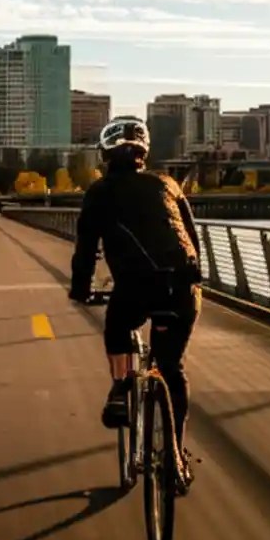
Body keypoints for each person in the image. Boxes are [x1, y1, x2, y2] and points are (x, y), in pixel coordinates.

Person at [68, 116, 202, 456]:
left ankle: (121, 386)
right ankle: (176, 453)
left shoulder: (99, 192)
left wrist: (81, 289)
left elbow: (86, 249)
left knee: (117, 325)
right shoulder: (168, 184)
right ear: (145, 152)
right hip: (183, 286)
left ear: (105, 155)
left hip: (136, 287)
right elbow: (192, 237)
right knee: (171, 368)